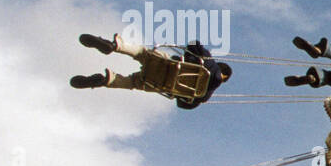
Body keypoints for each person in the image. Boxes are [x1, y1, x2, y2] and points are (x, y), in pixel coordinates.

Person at [71, 35, 232, 108]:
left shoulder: (210, 64)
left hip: (169, 65)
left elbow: (193, 43)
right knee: (132, 83)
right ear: (224, 79)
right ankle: (105, 80)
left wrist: (194, 58)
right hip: (159, 84)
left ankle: (115, 46)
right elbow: (184, 105)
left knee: (142, 53)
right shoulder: (205, 95)